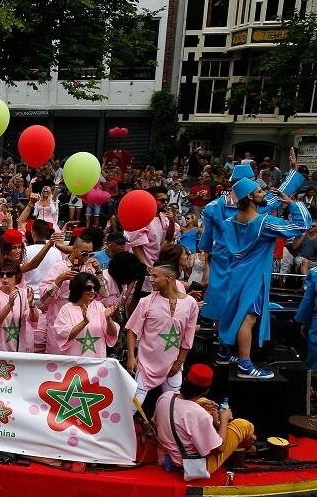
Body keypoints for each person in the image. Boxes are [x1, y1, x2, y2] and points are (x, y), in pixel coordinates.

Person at [218, 176, 311, 379]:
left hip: (235, 273)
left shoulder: (231, 220)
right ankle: (245, 364)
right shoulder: (264, 224)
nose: (264, 194)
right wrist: (294, 204)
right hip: (254, 276)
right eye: (259, 191)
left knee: (233, 311)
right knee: (249, 318)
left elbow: (269, 200)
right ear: (250, 197)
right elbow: (301, 226)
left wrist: (293, 175)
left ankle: (224, 352)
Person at [153, 364, 256, 479]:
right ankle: (250, 448)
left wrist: (199, 406)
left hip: (167, 456)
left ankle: (243, 445)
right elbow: (219, 449)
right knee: (242, 425)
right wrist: (224, 419)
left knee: (203, 402)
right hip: (192, 466)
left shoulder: (165, 397)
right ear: (206, 391)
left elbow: (161, 422)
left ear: (185, 381)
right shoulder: (199, 414)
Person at [126, 262, 199, 405]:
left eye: (155, 276)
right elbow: (132, 330)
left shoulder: (190, 303)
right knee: (134, 406)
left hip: (173, 364)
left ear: (169, 278)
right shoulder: (145, 302)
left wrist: (179, 362)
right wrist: (131, 357)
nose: (151, 279)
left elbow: (188, 336)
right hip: (146, 364)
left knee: (174, 406)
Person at [52, 272, 118, 357]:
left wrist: (108, 319)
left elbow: (112, 334)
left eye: (95, 288)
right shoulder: (66, 309)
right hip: (74, 363)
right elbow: (64, 336)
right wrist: (84, 322)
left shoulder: (99, 307)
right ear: (78, 288)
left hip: (96, 363)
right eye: (88, 288)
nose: (92, 291)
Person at [0, 260, 38, 352]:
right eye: (1, 274)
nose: (4, 277)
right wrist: (9, 305)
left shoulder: (24, 294)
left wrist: (31, 304)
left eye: (9, 274)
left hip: (17, 352)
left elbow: (34, 319)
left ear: (17, 276)